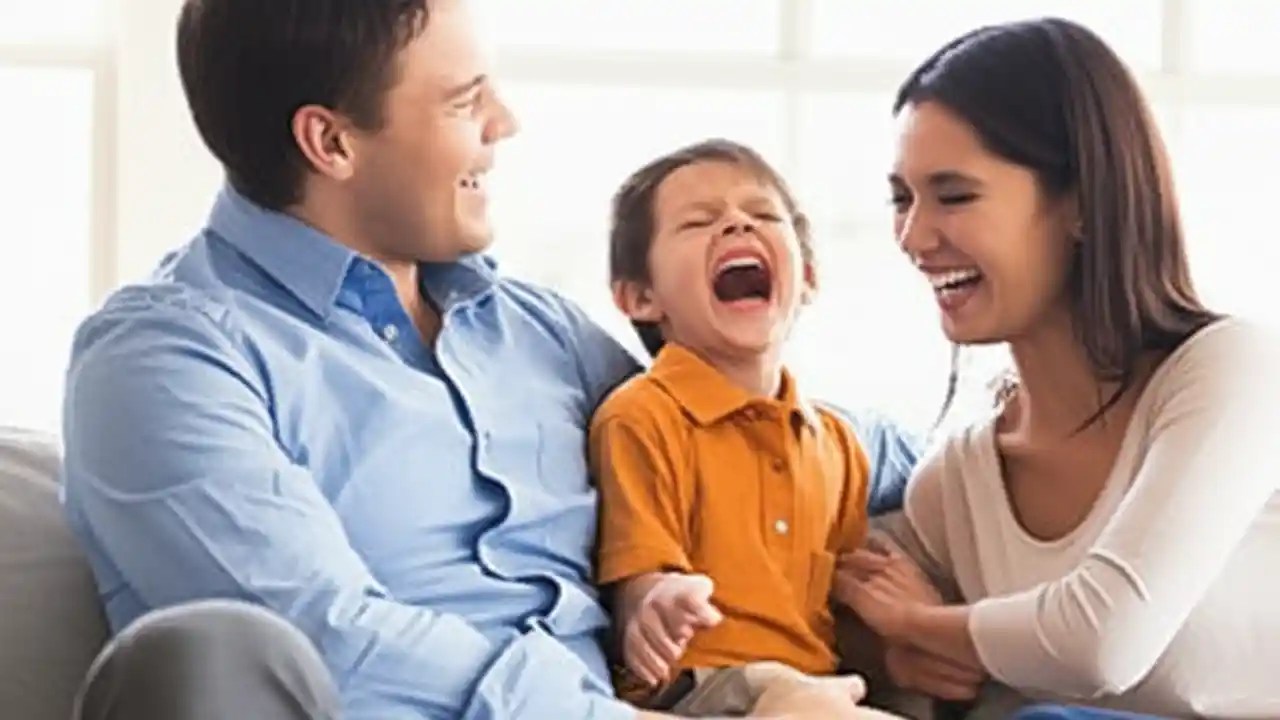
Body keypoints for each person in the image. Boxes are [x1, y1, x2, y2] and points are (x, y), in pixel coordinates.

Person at [59, 1, 917, 718]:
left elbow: (740, 426)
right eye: (465, 102)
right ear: (332, 144)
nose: (505, 124)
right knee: (206, 648)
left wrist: (1012, 459)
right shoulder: (168, 357)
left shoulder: (530, 330)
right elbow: (318, 632)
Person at [832, 17, 1280, 720]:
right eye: (902, 199)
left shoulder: (1232, 373)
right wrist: (890, 648)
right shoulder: (956, 483)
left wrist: (919, 625)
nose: (915, 236)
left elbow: (1101, 643)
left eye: (954, 196)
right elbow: (839, 593)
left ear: (1079, 203)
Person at [590, 139, 893, 717]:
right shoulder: (643, 415)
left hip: (818, 687)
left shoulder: (836, 443)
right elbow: (634, 581)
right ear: (640, 297)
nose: (735, 224)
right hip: (707, 688)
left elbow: (844, 614)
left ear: (807, 278)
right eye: (699, 222)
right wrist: (655, 602)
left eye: (762, 215)